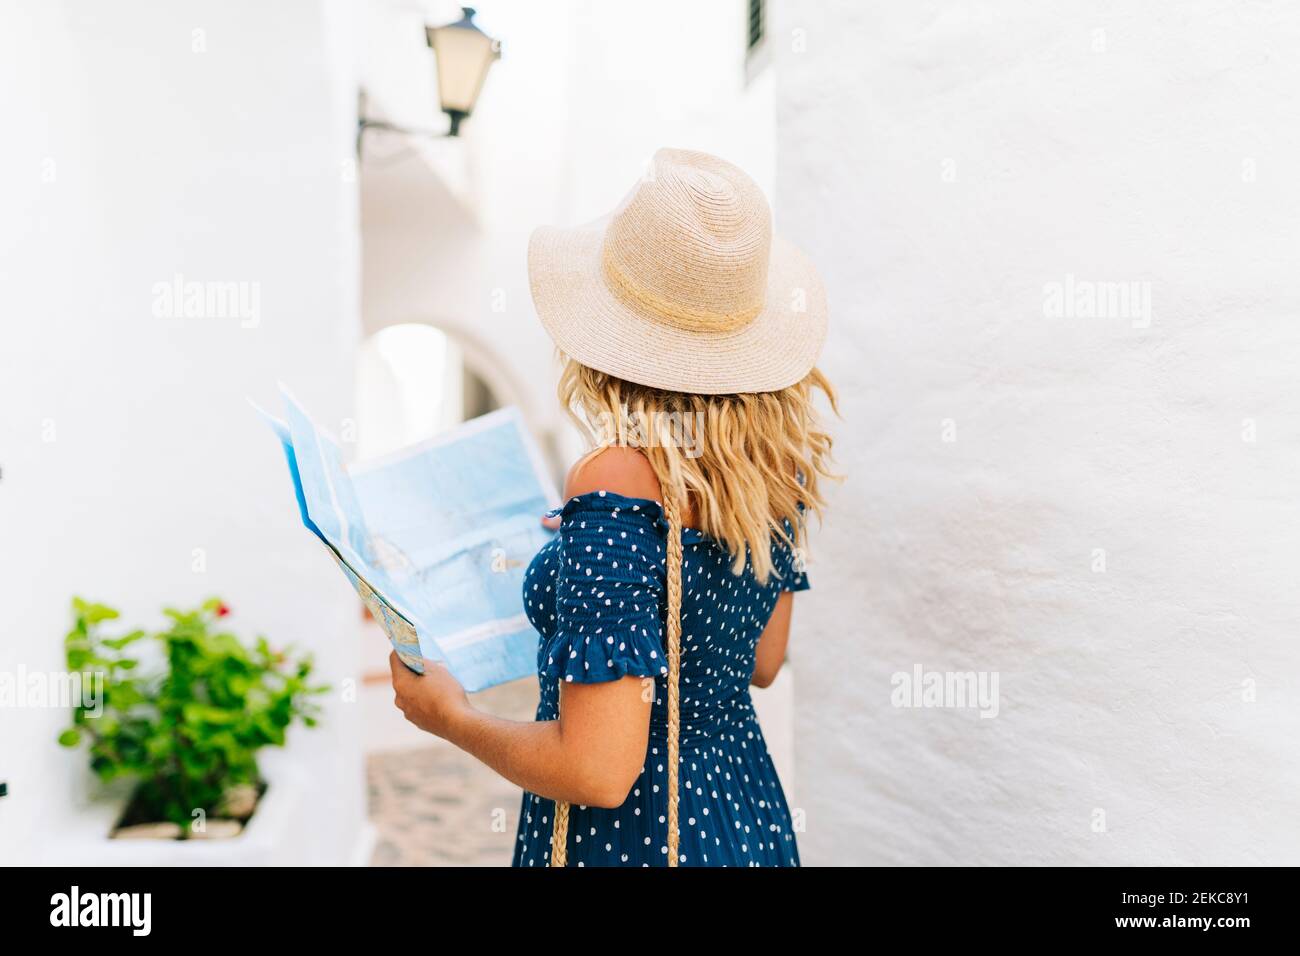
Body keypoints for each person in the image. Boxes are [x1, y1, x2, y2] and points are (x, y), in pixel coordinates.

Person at [389, 148, 836, 866]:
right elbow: (761, 660)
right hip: (742, 817)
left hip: (637, 839)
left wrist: (452, 719)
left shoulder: (619, 478)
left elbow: (595, 771)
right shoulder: (772, 471)